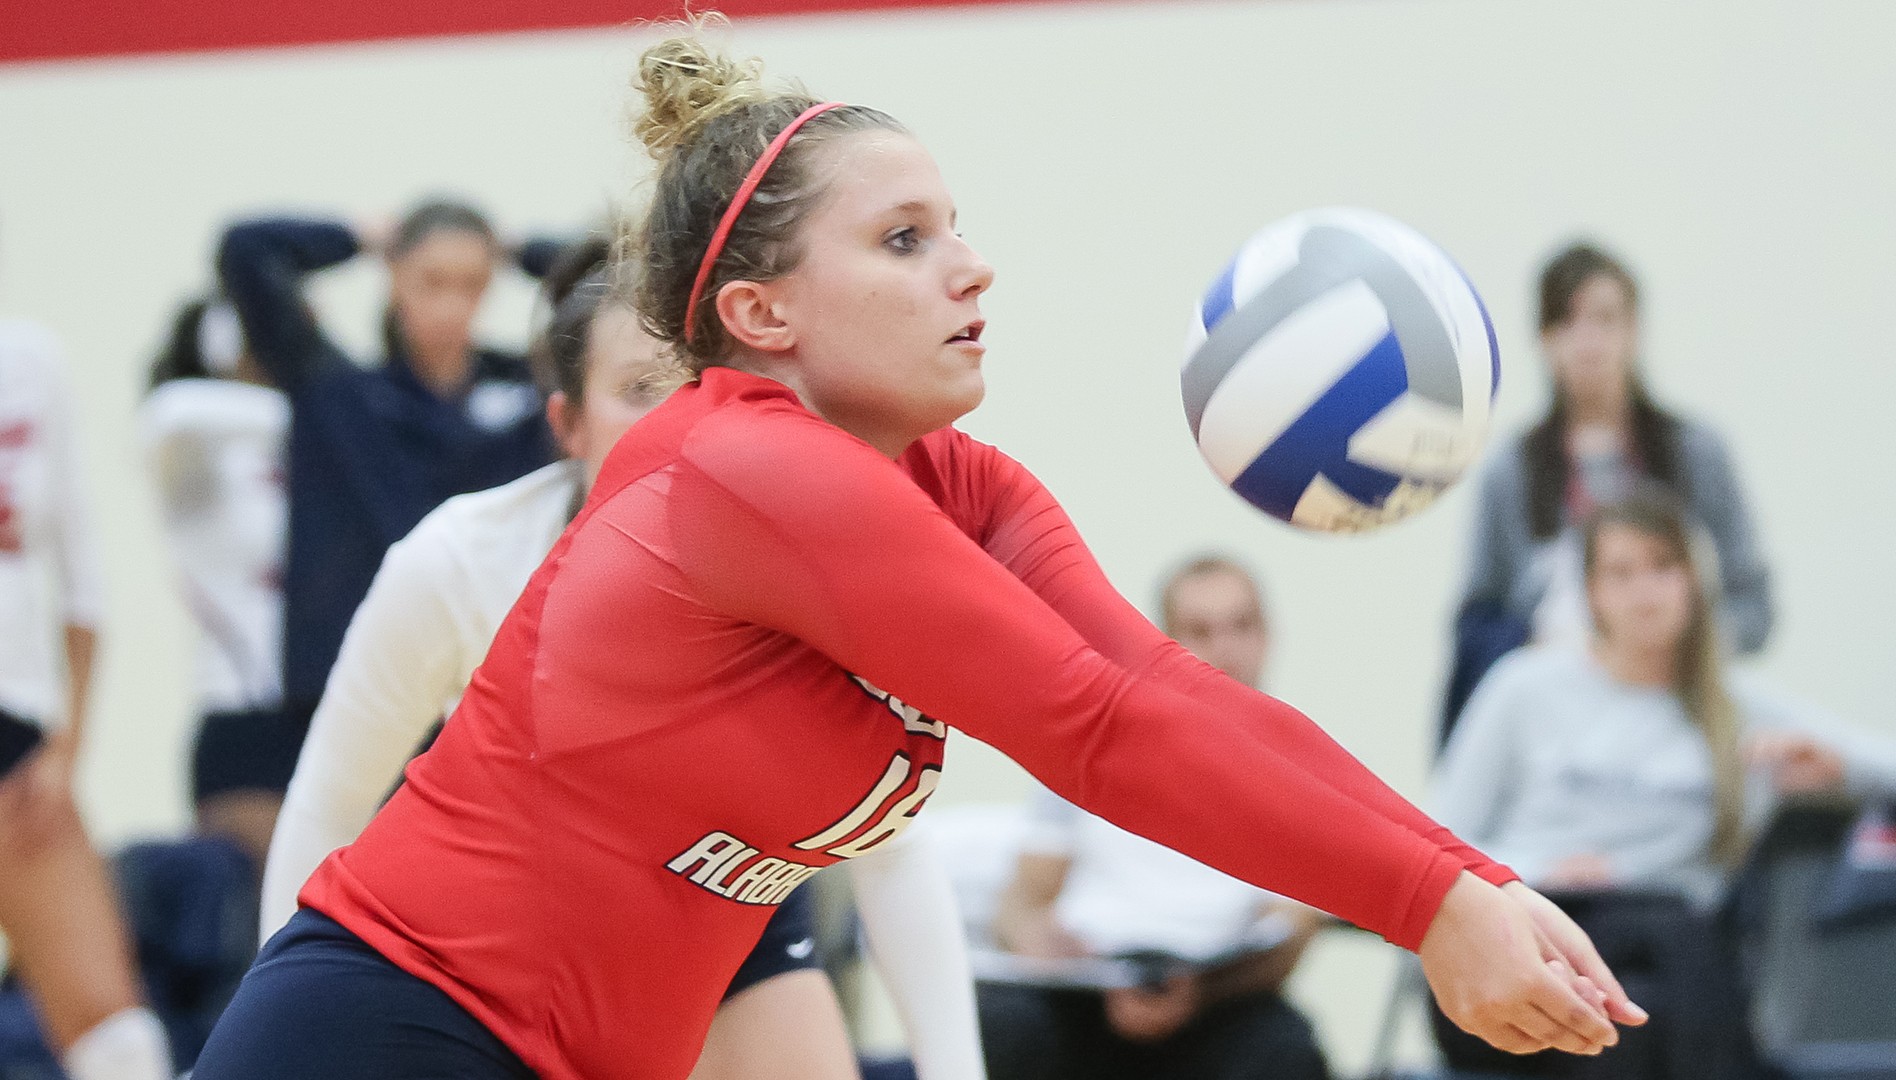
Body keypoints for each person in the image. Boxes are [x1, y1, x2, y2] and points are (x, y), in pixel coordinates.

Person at [194, 29, 1644, 1080]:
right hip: (395, 1027)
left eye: (956, 226)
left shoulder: (960, 486)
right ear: (764, 316)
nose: (971, 265)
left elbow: (1158, 685)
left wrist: (1465, 879)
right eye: (903, 238)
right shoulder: (742, 469)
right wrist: (1423, 904)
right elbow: (1099, 733)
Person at [258, 238, 988, 1080]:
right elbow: (327, 802)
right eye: (639, 390)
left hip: (718, 912)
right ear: (565, 423)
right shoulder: (459, 559)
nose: (679, 420)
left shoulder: (812, 561)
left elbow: (893, 847)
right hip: (500, 940)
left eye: (699, 388)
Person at [1430, 487, 1896, 1078]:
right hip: (1538, 937)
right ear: (1592, 593)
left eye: (1664, 567)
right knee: (1646, 1000)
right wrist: (1538, 868)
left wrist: (1837, 764)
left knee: (1658, 976)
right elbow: (1441, 840)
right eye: (1622, 572)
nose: (1645, 590)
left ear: (1693, 583)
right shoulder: (1525, 687)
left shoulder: (1733, 708)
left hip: (1668, 948)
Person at [215, 201, 557, 815]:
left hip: (489, 693)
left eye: (472, 283)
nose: (453, 303)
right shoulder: (338, 392)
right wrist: (361, 238)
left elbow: (617, 277)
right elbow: (245, 248)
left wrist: (519, 248)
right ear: (396, 278)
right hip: (355, 687)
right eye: (433, 281)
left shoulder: (529, 400)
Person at [984, 555, 1331, 1080]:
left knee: (1286, 1050)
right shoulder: (1089, 748)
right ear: (1164, 642)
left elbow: (1295, 928)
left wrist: (1203, 991)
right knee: (1005, 1025)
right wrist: (1041, 944)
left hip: (1220, 1002)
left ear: (1267, 636)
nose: (1225, 649)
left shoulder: (1304, 768)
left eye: (1242, 626)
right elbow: (1023, 899)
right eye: (1200, 630)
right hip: (1092, 991)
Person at [1444, 243, 1772, 740]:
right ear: (1542, 339)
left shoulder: (1697, 454)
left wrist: (1670, 646)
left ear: (1634, 329)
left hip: (1679, 719)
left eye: (1604, 319)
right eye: (1566, 322)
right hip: (1554, 727)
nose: (1588, 341)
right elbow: (1478, 620)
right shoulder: (1511, 471)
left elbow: (1753, 606)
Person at [0, 316, 173, 1080]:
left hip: (20, 749)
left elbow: (83, 580)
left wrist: (68, 747)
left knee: (121, 1044)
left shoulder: (28, 360)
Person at [139, 297, 290, 863]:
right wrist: (331, 412)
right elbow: (169, 410)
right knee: (273, 929)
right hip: (244, 713)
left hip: (336, 707)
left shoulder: (324, 451)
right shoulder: (196, 454)